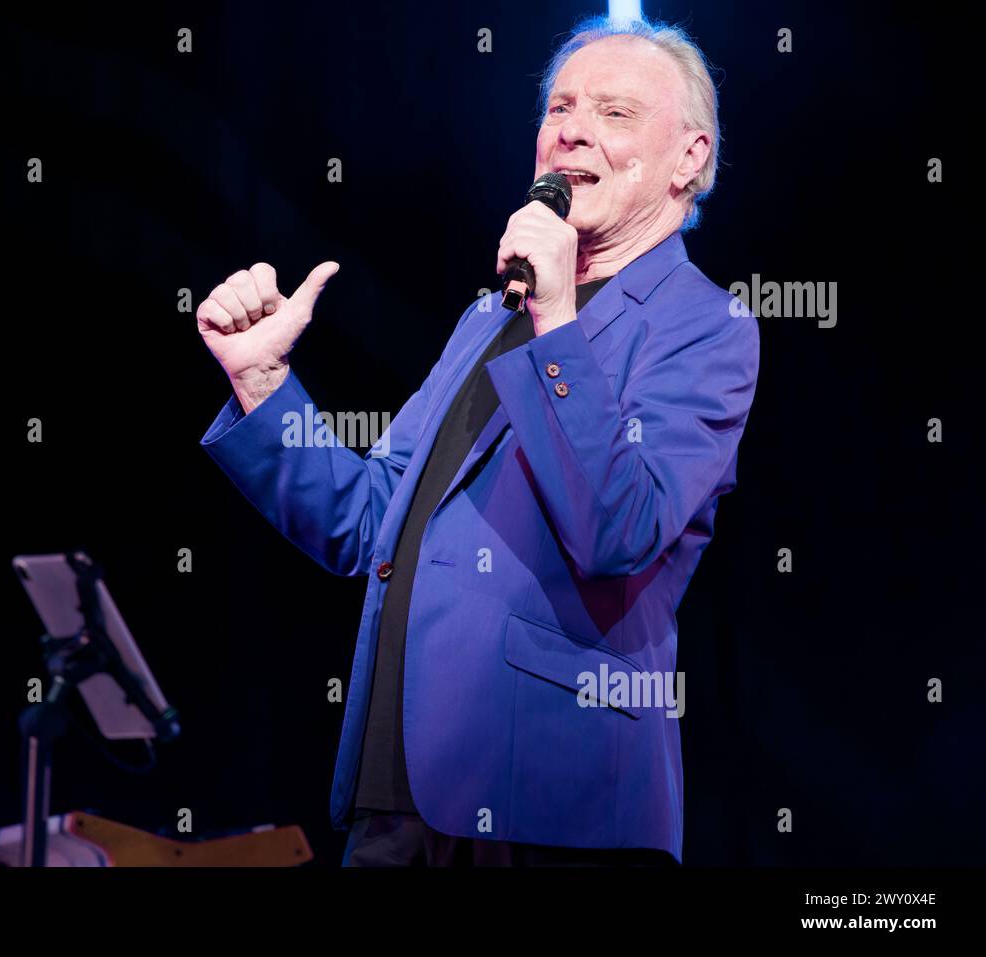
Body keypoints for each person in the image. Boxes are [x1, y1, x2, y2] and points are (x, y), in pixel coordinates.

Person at [196, 16, 758, 867]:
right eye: (560, 107)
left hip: (551, 810)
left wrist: (559, 319)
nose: (570, 128)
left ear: (689, 158)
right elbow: (370, 519)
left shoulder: (705, 326)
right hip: (397, 796)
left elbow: (619, 528)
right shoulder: (489, 316)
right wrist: (264, 384)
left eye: (613, 113)